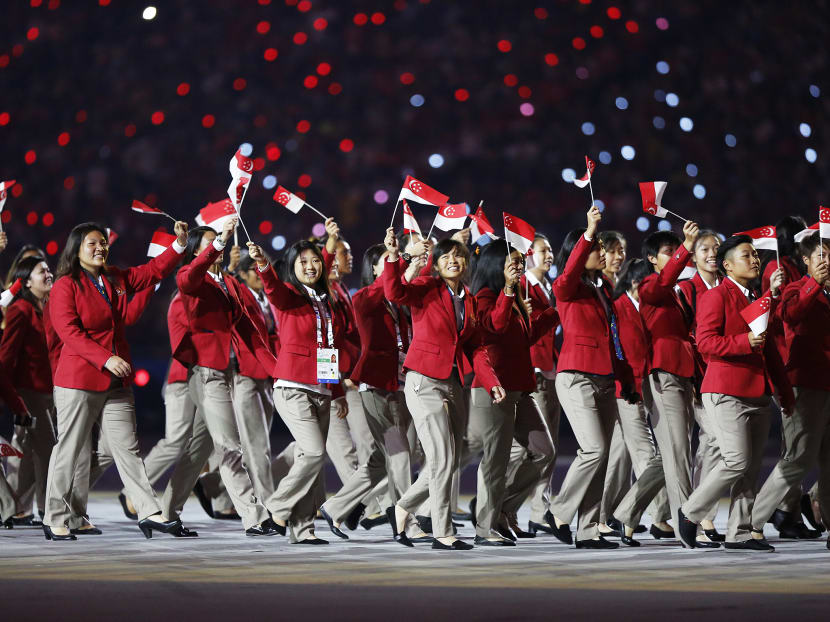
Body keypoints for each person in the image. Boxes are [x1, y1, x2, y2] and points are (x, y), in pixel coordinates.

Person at [43, 220, 192, 540]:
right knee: (70, 450)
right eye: (92, 244)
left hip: (115, 381)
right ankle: (55, 515)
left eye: (103, 243)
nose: (100, 248)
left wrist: (178, 246)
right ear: (76, 249)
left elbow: (152, 271)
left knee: (128, 448)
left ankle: (149, 511)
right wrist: (104, 357)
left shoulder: (115, 277)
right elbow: (69, 332)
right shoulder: (65, 285)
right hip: (78, 379)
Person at [382, 227, 505, 550]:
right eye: (447, 257)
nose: (454, 261)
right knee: (443, 457)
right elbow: (394, 291)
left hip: (454, 384)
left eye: (459, 256)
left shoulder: (470, 300)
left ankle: (402, 507)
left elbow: (477, 348)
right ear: (435, 264)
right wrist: (397, 257)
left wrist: (491, 382)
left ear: (467, 264)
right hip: (424, 382)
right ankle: (442, 530)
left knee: (447, 461)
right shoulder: (426, 288)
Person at [677, 235, 793, 552]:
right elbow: (705, 343)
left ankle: (739, 533)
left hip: (757, 392)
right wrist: (744, 343)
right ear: (727, 265)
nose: (754, 260)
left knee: (751, 468)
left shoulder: (756, 298)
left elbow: (769, 350)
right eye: (747, 255)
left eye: (755, 255)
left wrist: (784, 392)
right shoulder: (716, 297)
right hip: (725, 390)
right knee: (737, 461)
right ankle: (690, 511)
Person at [167, 219, 277, 536]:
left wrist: (279, 374)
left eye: (221, 241)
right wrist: (215, 244)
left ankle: (166, 513)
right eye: (211, 242)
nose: (221, 243)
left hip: (227, 374)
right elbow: (188, 278)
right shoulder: (192, 280)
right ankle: (254, 516)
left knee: (198, 451)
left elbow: (252, 335)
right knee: (230, 447)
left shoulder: (228, 284)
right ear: (197, 252)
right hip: (205, 373)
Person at [319, 243, 427, 540]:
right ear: (375, 269)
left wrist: (415, 266)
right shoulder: (364, 297)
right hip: (372, 386)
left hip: (398, 385)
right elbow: (385, 287)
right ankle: (408, 521)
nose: (394, 264)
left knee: (380, 461)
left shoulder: (396, 302)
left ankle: (335, 507)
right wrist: (403, 258)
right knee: (399, 453)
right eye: (387, 261)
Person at [248, 232, 347, 544]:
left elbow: (329, 345)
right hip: (293, 385)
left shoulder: (325, 299)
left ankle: (304, 530)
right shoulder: (288, 294)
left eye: (315, 260)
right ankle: (276, 510)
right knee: (315, 452)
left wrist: (339, 390)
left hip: (323, 387)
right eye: (303, 261)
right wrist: (263, 264)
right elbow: (272, 288)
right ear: (292, 266)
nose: (311, 265)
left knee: (311, 460)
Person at [546, 205, 634, 549]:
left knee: (603, 456)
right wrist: (588, 232)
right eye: (597, 249)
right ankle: (559, 511)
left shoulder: (601, 289)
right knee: (594, 450)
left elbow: (614, 339)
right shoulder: (567, 286)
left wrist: (624, 378)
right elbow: (568, 275)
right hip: (575, 376)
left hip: (604, 377)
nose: (601, 253)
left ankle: (588, 529)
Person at [467, 242, 556, 546]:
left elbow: (525, 337)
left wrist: (554, 313)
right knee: (496, 460)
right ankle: (485, 527)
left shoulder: (516, 297)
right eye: (512, 262)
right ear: (496, 265)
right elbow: (495, 325)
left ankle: (501, 507)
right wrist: (507, 289)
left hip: (520, 387)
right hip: (494, 387)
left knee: (544, 451)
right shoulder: (483, 297)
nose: (519, 267)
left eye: (520, 262)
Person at [750, 231, 830, 549]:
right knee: (797, 458)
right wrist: (814, 285)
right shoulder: (796, 289)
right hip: (806, 385)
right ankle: (752, 521)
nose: (826, 262)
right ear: (806, 261)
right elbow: (790, 315)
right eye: (820, 257)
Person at [604, 259, 673, 546]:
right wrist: (627, 385)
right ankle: (657, 516)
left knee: (619, 457)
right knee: (649, 454)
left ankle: (601, 514)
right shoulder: (618, 307)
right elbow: (617, 350)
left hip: (647, 385)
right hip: (627, 389)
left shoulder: (645, 309)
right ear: (636, 283)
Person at [675, 230, 726, 542]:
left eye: (715, 248)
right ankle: (695, 514)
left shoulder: (728, 286)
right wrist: (692, 376)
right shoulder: (686, 289)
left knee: (712, 447)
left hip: (723, 377)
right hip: (698, 379)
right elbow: (684, 337)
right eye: (704, 249)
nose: (711, 253)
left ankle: (703, 517)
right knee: (715, 444)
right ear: (692, 257)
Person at [0, 256, 57, 528]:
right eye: (41, 271)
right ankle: (48, 511)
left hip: (49, 392)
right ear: (26, 281)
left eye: (48, 269)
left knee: (30, 453)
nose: (48, 274)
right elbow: (6, 358)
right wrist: (13, 400)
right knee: (48, 450)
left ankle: (16, 508)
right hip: (28, 392)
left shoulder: (47, 307)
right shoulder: (21, 310)